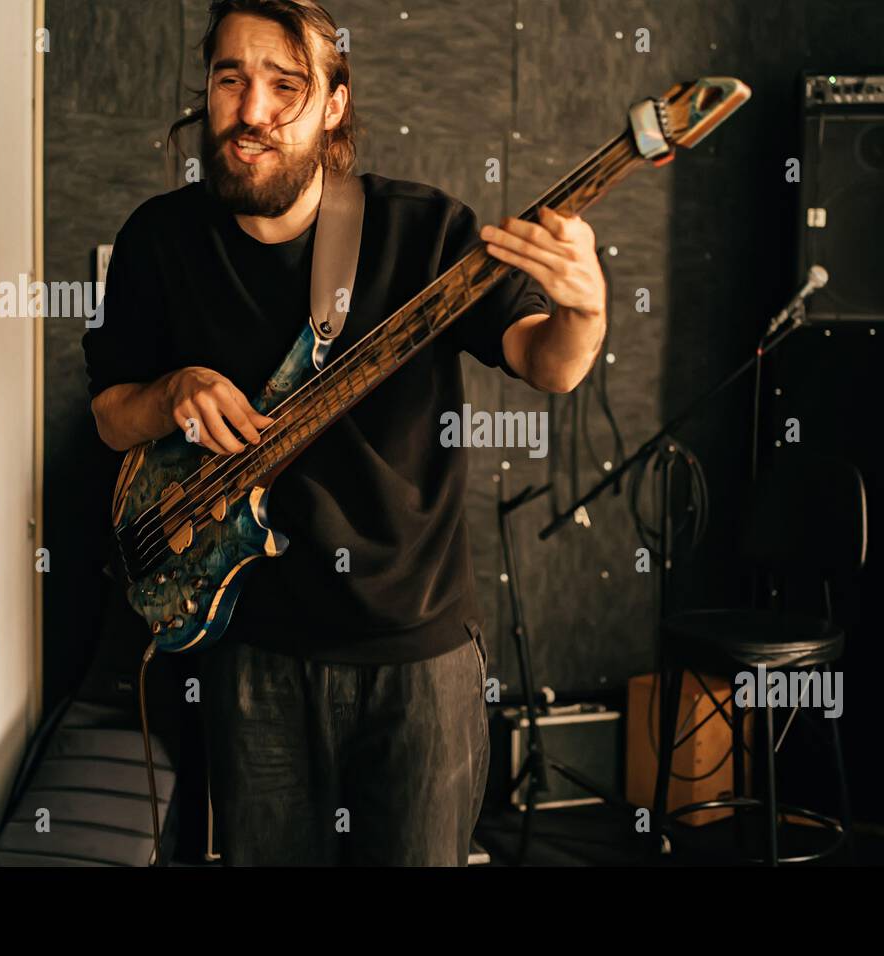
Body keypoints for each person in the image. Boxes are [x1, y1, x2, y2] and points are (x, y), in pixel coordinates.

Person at [82, 0, 606, 865]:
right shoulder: (158, 240)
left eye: (285, 86)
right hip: (246, 646)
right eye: (229, 79)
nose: (251, 111)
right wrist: (171, 390)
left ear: (333, 105)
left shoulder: (423, 231)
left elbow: (546, 362)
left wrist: (584, 311)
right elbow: (109, 416)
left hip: (417, 654)